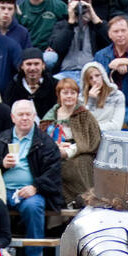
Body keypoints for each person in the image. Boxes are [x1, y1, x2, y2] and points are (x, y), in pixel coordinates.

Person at [0, 99, 62, 256]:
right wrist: (2, 164)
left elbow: (53, 171)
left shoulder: (45, 142)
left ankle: (33, 255)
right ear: (13, 117)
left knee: (33, 206)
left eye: (28, 114)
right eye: (20, 114)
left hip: (31, 190)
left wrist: (35, 187)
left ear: (34, 116)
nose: (24, 118)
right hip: (3, 189)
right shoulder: (2, 139)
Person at [44, 76, 101, 204]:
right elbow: (42, 140)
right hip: (54, 153)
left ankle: (82, 200)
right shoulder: (49, 116)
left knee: (77, 164)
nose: (69, 96)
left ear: (77, 95)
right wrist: (55, 147)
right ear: (59, 95)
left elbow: (92, 141)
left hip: (80, 153)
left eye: (73, 93)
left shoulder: (84, 115)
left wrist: (69, 150)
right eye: (65, 93)